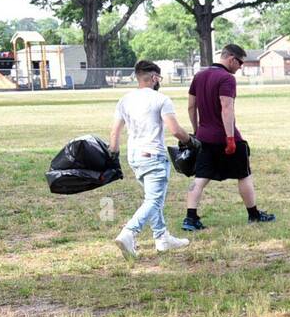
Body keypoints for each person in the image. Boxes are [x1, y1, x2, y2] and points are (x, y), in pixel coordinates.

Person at [183, 43, 275, 229]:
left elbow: (191, 107)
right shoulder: (226, 78)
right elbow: (226, 107)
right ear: (231, 59)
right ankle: (254, 214)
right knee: (244, 175)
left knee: (200, 178)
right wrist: (230, 138)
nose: (240, 67)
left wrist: (197, 131)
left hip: (204, 136)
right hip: (225, 137)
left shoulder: (199, 76)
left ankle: (190, 218)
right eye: (240, 63)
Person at [108, 60, 192, 258]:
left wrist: (113, 153)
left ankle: (162, 237)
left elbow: (115, 133)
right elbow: (175, 130)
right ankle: (129, 233)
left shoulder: (125, 100)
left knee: (154, 198)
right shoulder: (161, 99)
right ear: (154, 78)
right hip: (153, 154)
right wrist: (191, 141)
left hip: (134, 156)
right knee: (153, 200)